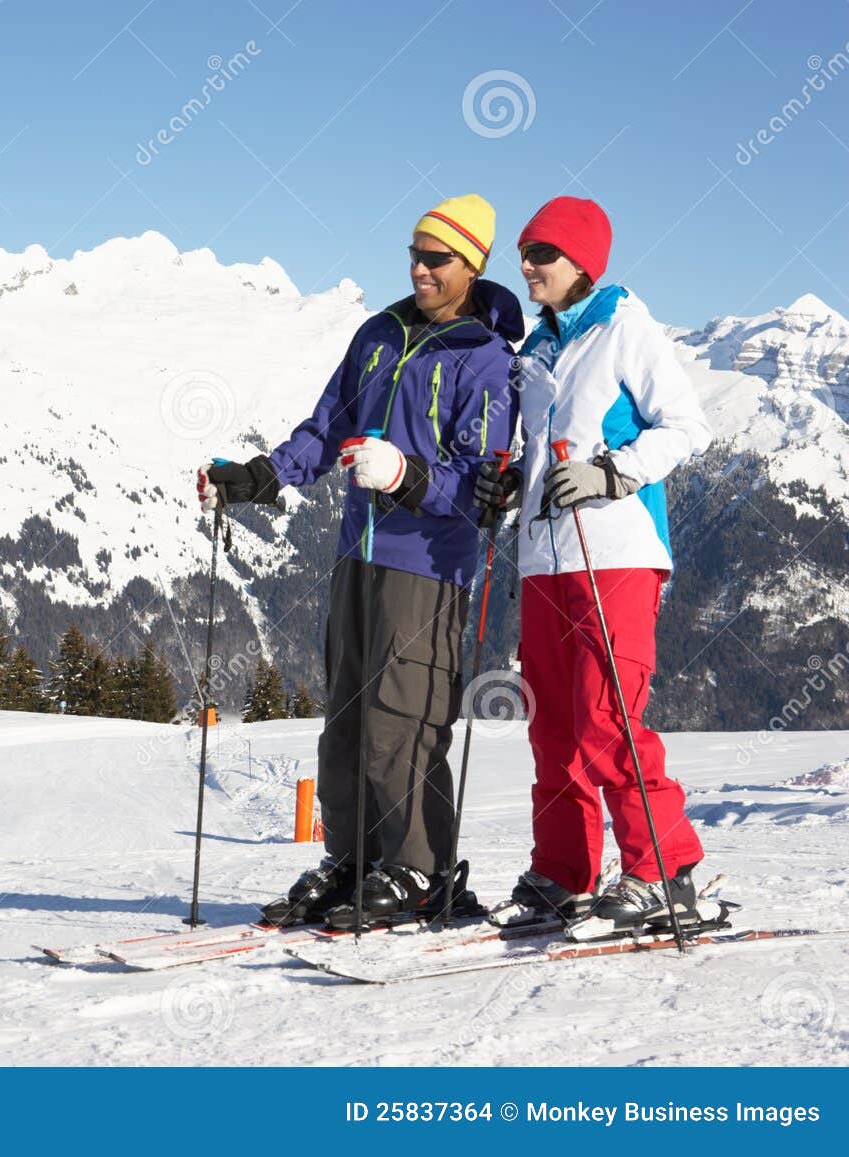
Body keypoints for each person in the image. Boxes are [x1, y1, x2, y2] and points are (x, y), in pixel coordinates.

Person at [199, 194, 521, 928]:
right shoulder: (379, 333)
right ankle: (354, 855)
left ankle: (420, 869)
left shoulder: (487, 359)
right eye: (414, 252)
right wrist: (261, 476)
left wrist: (405, 474)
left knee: (401, 717)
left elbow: (481, 483)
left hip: (428, 562)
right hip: (357, 551)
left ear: (471, 264)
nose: (420, 268)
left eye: (436, 258)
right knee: (345, 715)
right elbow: (328, 426)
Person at [474, 196, 713, 934]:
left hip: (614, 550)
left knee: (608, 716)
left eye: (542, 253)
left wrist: (616, 473)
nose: (527, 266)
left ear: (582, 262)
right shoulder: (536, 351)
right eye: (523, 251)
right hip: (544, 559)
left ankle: (663, 871)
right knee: (553, 725)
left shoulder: (623, 329)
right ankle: (562, 873)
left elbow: (687, 427)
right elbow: (542, 453)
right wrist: (511, 484)